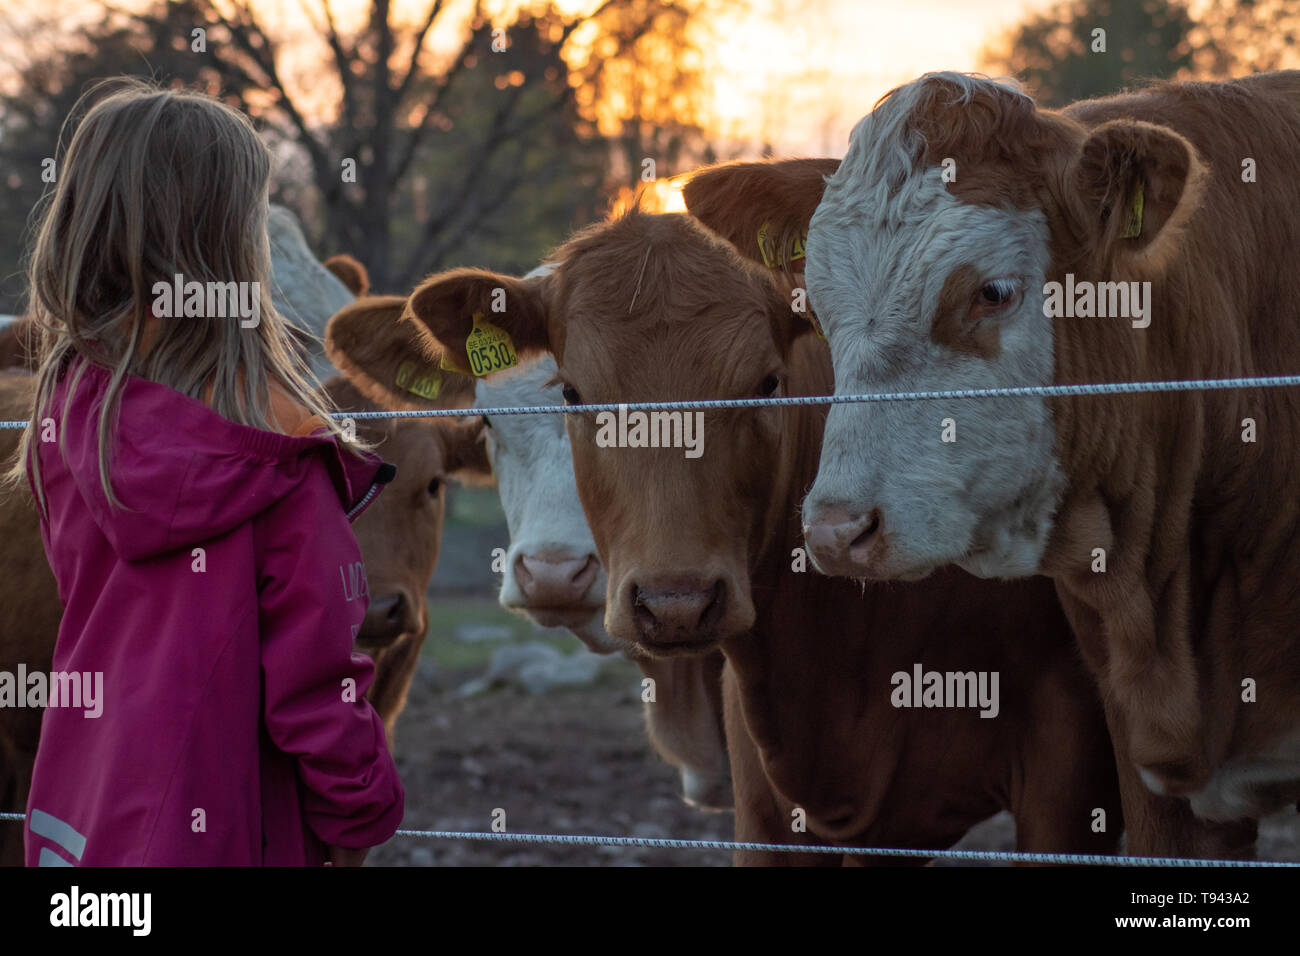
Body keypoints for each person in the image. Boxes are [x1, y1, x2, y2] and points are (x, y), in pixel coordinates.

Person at [6, 79, 404, 866]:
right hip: (222, 830)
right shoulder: (285, 459)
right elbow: (315, 688)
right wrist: (367, 810)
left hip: (77, 820)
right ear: (235, 249)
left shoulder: (64, 413)